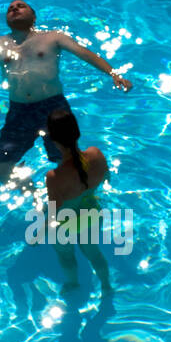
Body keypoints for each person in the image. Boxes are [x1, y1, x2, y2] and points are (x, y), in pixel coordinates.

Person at [0, 0, 132, 185]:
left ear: (34, 16)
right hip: (19, 112)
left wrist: (113, 73)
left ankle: (92, 183)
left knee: (69, 162)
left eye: (20, 6)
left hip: (54, 108)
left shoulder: (53, 37)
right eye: (10, 9)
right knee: (1, 170)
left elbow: (84, 53)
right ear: (7, 20)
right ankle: (35, 195)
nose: (14, 9)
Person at [43, 108, 111, 293]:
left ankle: (73, 283)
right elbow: (107, 179)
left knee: (66, 255)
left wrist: (39, 233)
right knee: (93, 253)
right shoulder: (96, 154)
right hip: (91, 214)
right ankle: (106, 286)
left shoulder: (54, 176)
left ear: (53, 140)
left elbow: (53, 212)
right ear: (77, 132)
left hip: (66, 224)